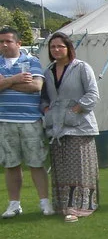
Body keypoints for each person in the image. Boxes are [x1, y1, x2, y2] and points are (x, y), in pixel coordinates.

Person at [40, 33, 100, 222]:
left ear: (68, 48)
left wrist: (75, 110)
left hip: (79, 126)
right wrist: (47, 110)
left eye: (60, 46)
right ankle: (63, 205)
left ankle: (80, 207)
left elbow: (93, 93)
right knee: (61, 168)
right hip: (56, 127)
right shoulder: (48, 71)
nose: (56, 50)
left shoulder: (82, 67)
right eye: (52, 47)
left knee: (79, 167)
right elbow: (44, 98)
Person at [0, 26, 54, 218]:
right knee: (11, 164)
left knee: (36, 163)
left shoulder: (32, 61)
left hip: (30, 120)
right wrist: (15, 79)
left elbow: (36, 86)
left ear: (18, 43)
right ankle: (14, 205)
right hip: (4, 120)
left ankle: (44, 203)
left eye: (8, 41)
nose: (4, 45)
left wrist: (5, 82)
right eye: (1, 42)